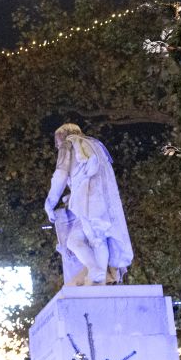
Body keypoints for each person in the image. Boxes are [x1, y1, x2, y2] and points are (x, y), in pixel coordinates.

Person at [44, 122, 133, 285]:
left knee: (97, 239)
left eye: (57, 143)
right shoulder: (96, 145)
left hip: (88, 201)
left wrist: (49, 203)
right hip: (102, 201)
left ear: (62, 137)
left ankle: (98, 278)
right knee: (74, 241)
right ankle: (96, 271)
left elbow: (60, 175)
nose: (57, 147)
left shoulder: (69, 143)